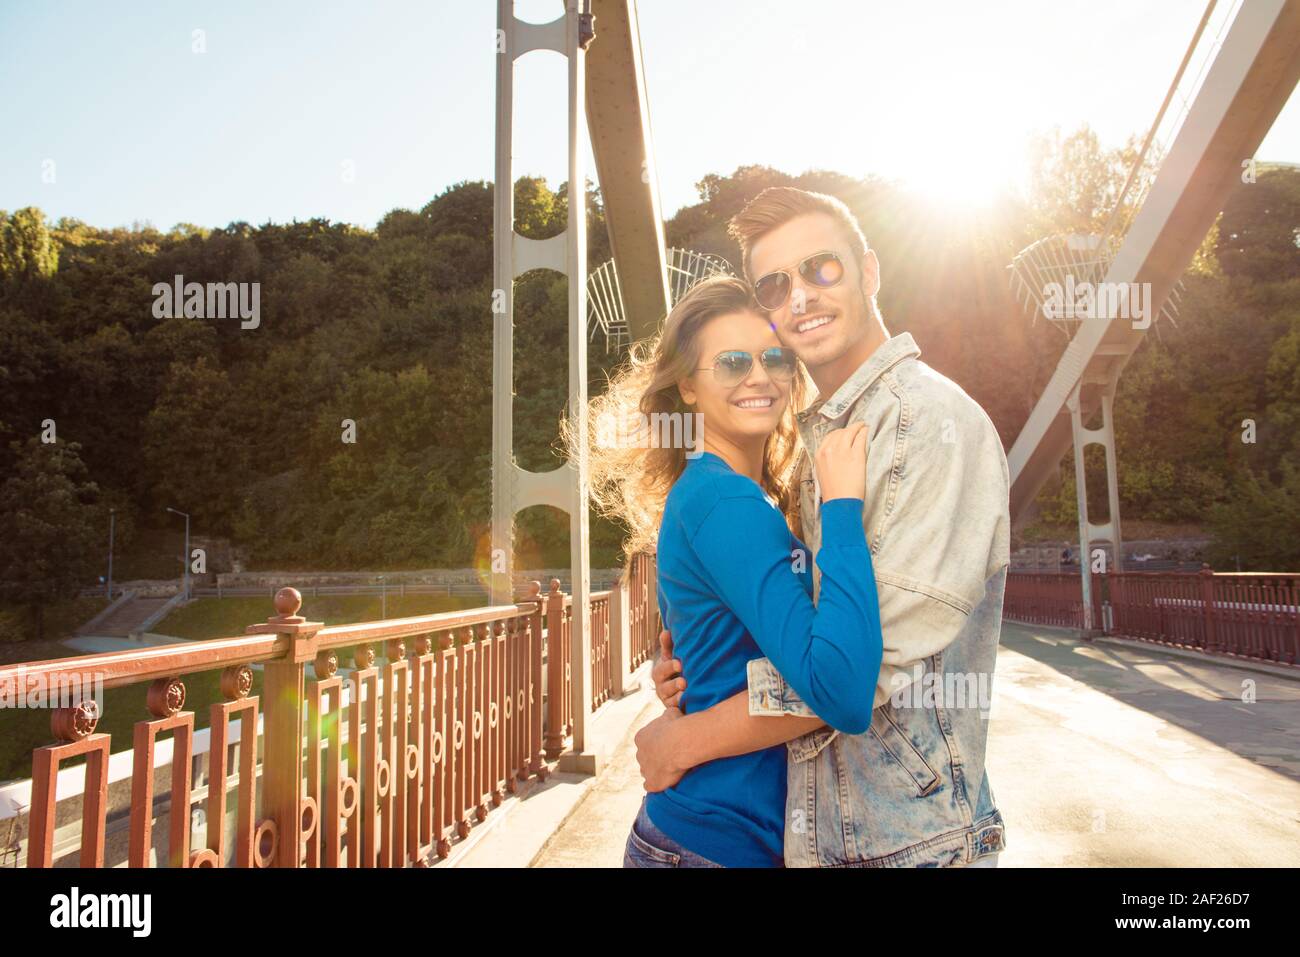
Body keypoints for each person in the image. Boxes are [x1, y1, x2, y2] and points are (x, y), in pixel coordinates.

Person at [636, 187, 1011, 867]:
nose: (800, 296)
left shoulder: (928, 425)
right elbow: (816, 629)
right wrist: (700, 671)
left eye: (822, 268)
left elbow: (854, 675)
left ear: (869, 271)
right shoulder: (821, 447)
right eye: (776, 284)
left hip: (907, 839)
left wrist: (688, 737)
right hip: (815, 835)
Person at [569, 275, 884, 867]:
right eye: (733, 362)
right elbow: (841, 689)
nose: (760, 376)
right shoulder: (726, 501)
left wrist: (681, 689)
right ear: (687, 385)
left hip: (711, 838)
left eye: (775, 358)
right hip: (714, 842)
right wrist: (844, 511)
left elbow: (714, 646)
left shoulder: (732, 495)